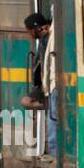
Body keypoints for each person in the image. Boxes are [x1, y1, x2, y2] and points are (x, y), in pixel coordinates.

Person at [21, 12, 57, 156]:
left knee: (52, 121)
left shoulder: (50, 38)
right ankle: (47, 106)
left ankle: (54, 152)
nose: (29, 33)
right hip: (44, 84)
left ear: (36, 28)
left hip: (51, 82)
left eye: (30, 30)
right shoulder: (41, 41)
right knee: (26, 101)